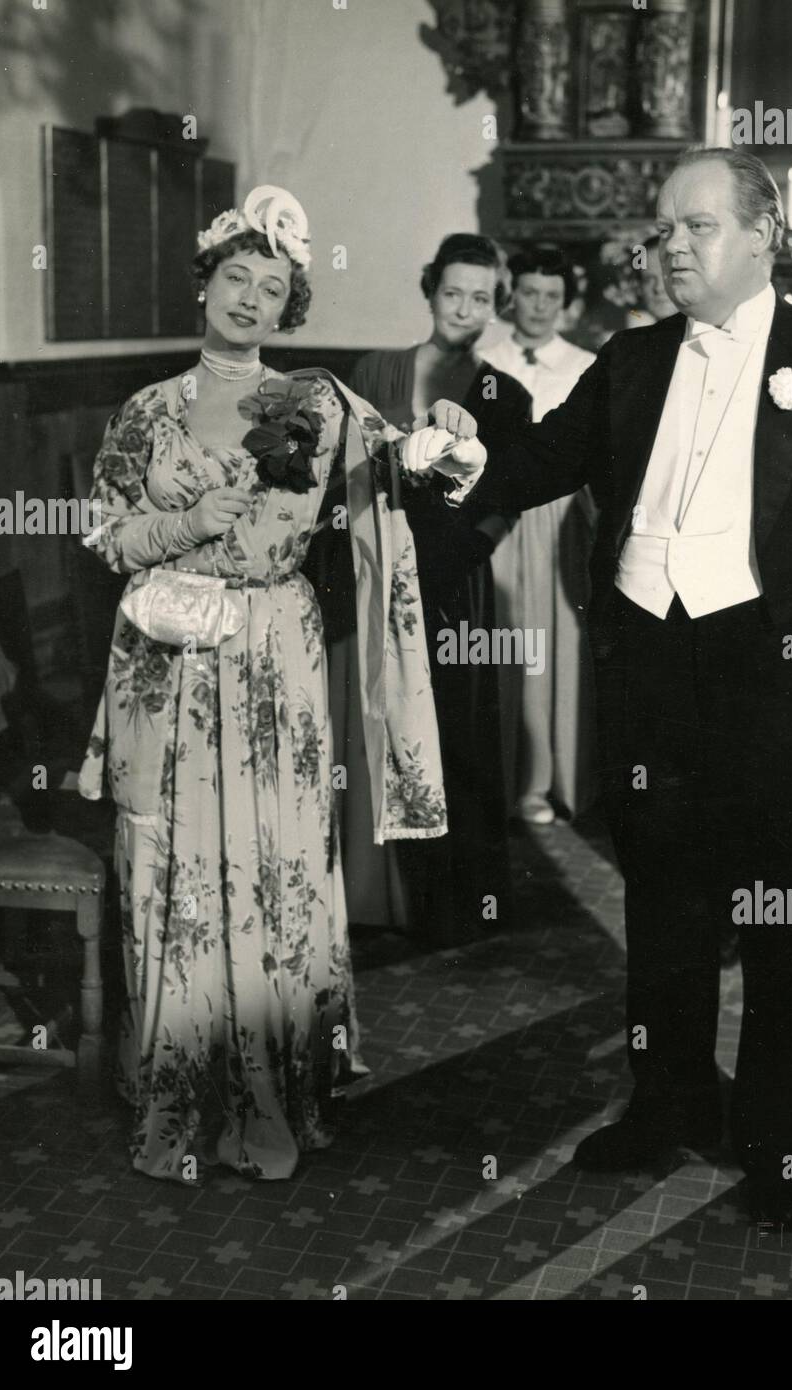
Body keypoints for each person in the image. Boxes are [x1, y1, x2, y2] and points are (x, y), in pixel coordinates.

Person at [438, 148, 792, 1226]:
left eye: (696, 228)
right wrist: (461, 452)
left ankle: (782, 1150)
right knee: (665, 909)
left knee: (787, 928)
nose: (673, 248)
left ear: (762, 236)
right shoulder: (632, 358)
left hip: (778, 679)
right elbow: (536, 463)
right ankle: (667, 1101)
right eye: (663, 230)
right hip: (652, 671)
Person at [77, 188, 479, 1182]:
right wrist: (186, 525)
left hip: (275, 660)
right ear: (203, 284)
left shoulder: (316, 401)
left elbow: (407, 465)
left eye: (274, 286)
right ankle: (178, 1101)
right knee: (168, 874)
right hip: (163, 664)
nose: (251, 299)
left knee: (274, 872)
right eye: (236, 279)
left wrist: (445, 439)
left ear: (291, 305)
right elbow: (107, 536)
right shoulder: (147, 411)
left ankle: (274, 1100)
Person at [346, 233, 532, 944]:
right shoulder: (374, 370)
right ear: (429, 290)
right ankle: (377, 896)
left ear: (496, 306)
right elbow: (348, 470)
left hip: (454, 582)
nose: (463, 308)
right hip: (376, 571)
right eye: (451, 292)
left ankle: (454, 906)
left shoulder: (504, 394)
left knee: (454, 734)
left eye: (480, 297)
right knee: (377, 720)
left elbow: (505, 497)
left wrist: (452, 556)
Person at [482, 246, 598, 824]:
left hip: (558, 521)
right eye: (529, 293)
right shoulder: (485, 358)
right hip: (499, 518)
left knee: (556, 646)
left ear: (566, 304)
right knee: (502, 639)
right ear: (512, 296)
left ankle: (555, 782)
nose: (539, 306)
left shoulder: (584, 364)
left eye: (552, 296)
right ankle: (503, 781)